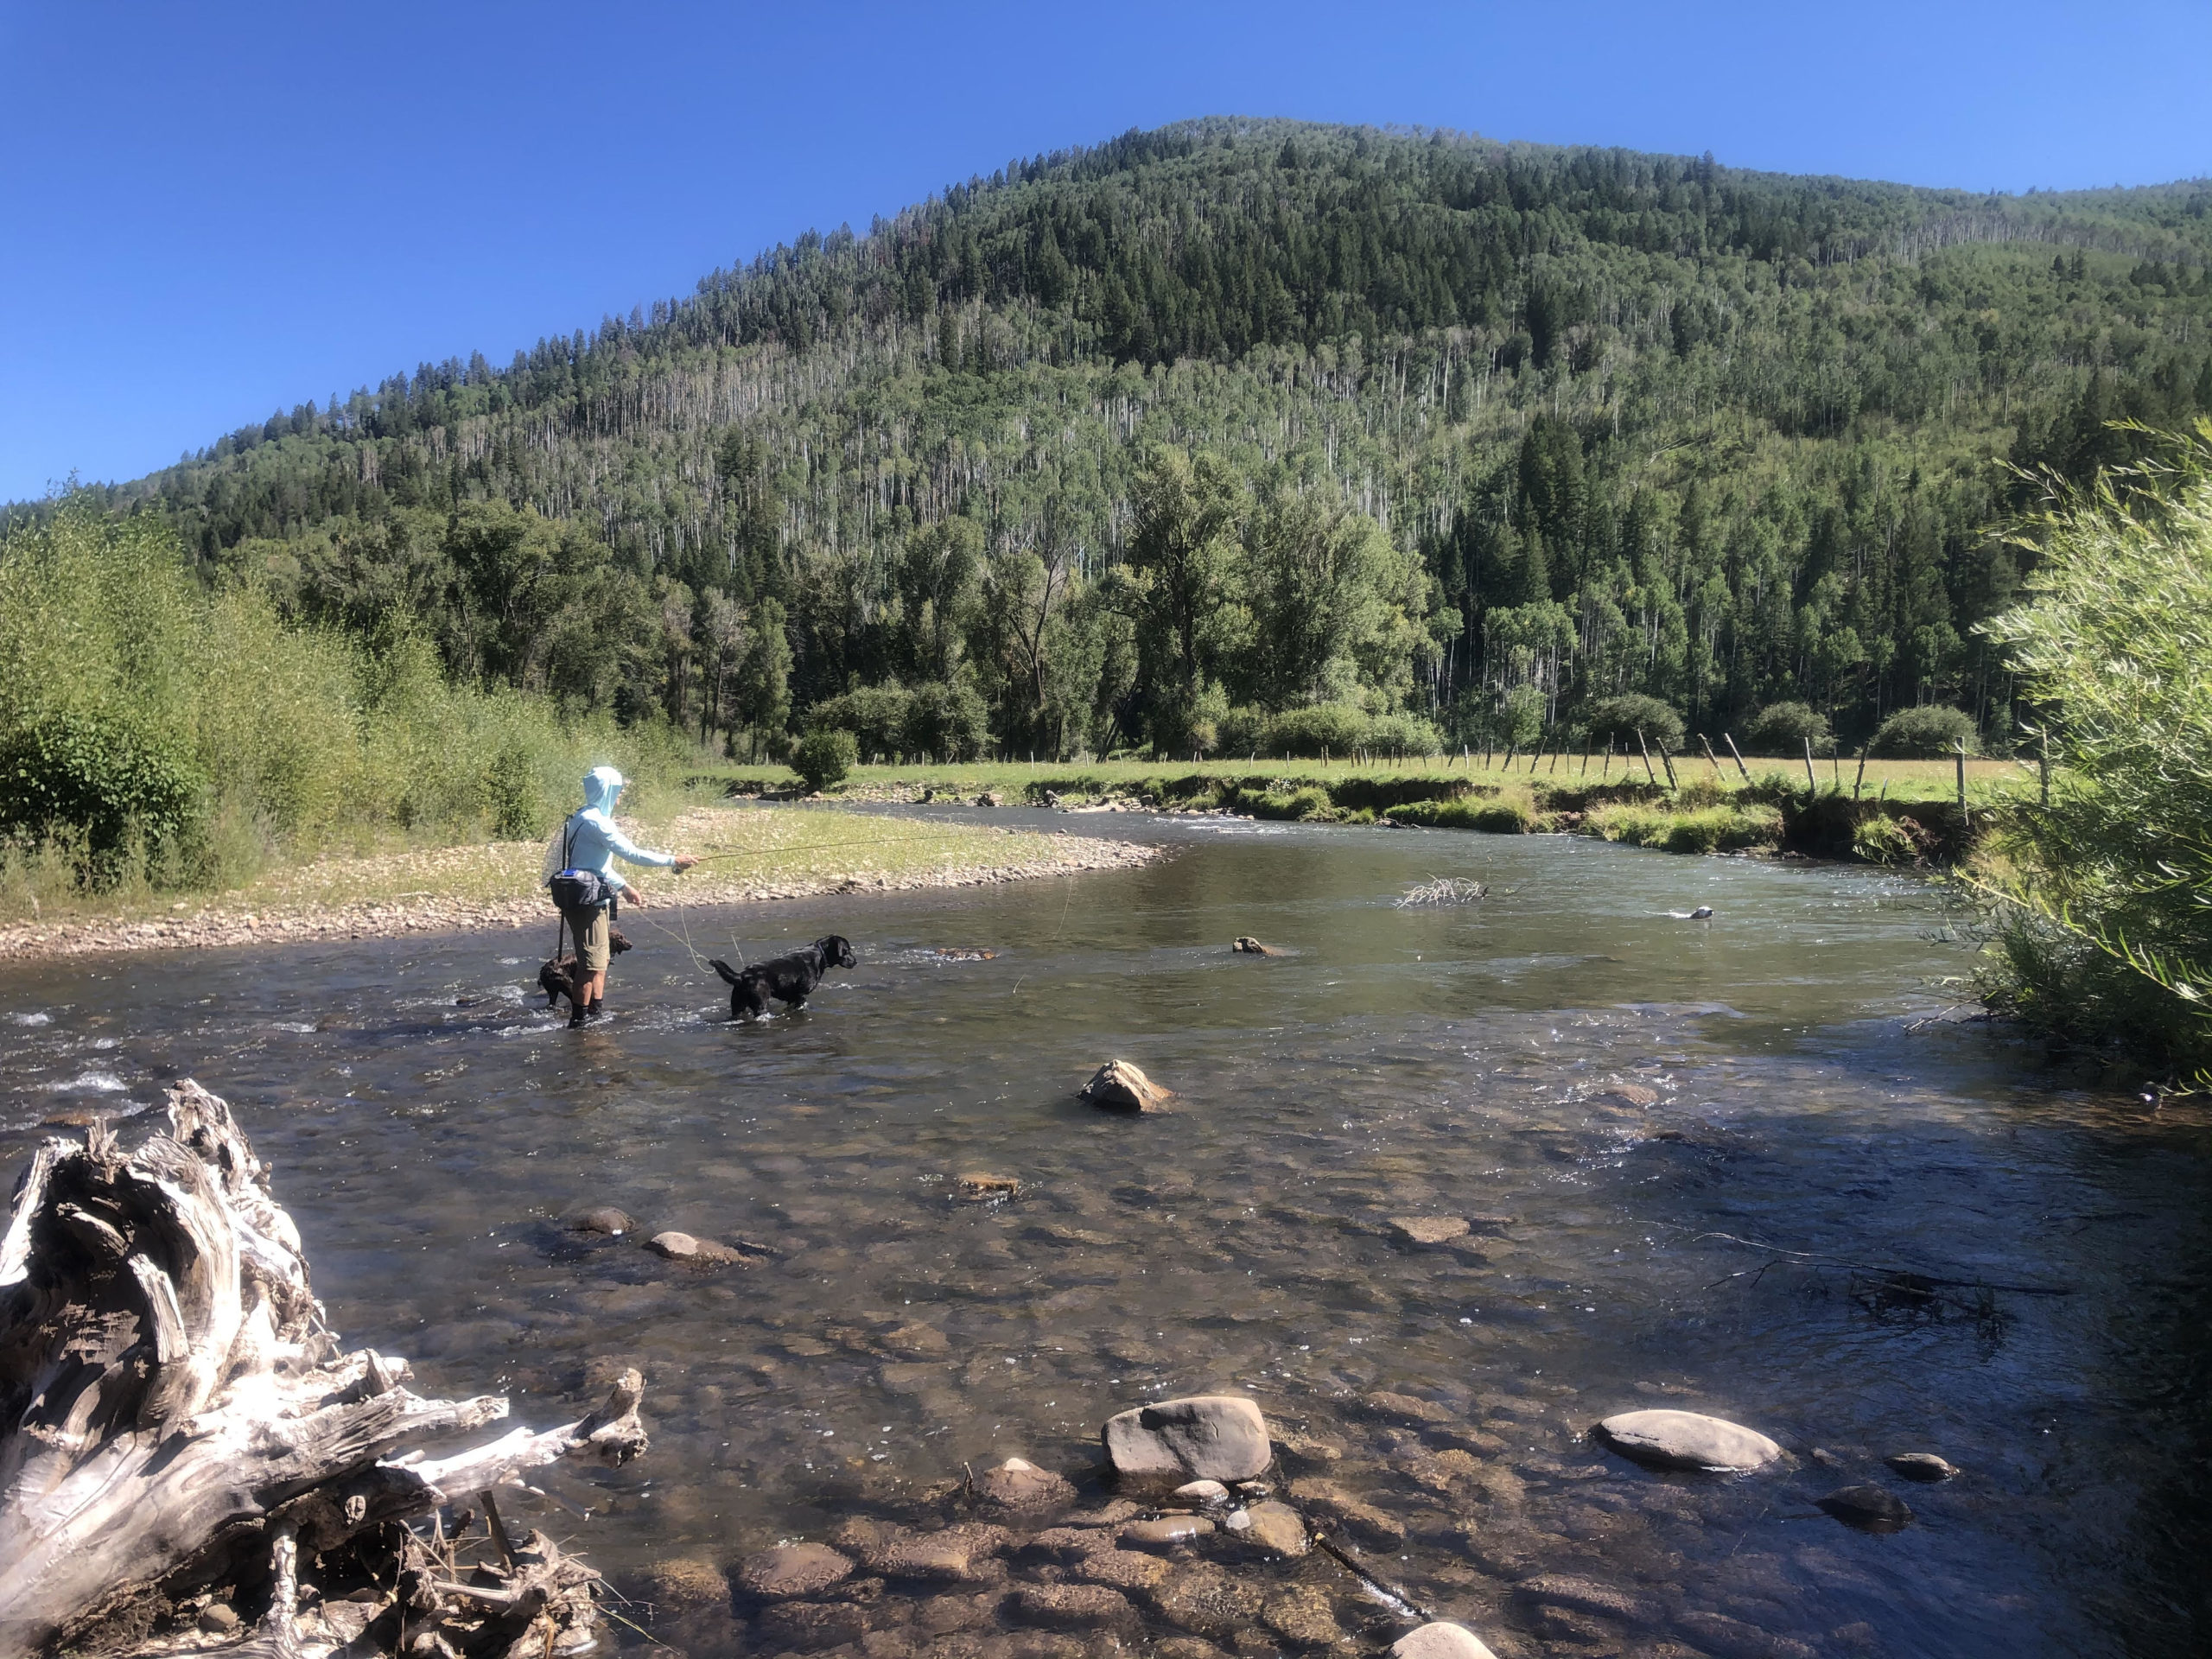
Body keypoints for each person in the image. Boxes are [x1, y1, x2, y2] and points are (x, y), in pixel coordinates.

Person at [547, 766, 698, 1026]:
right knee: (590, 966)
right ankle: (579, 1024)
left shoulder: (583, 817)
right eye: (617, 790)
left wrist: (624, 887)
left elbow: (595, 865)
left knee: (601, 960)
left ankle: (596, 1013)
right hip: (587, 904)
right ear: (606, 791)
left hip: (593, 898)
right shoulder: (596, 822)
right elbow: (634, 854)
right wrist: (673, 860)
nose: (620, 795)